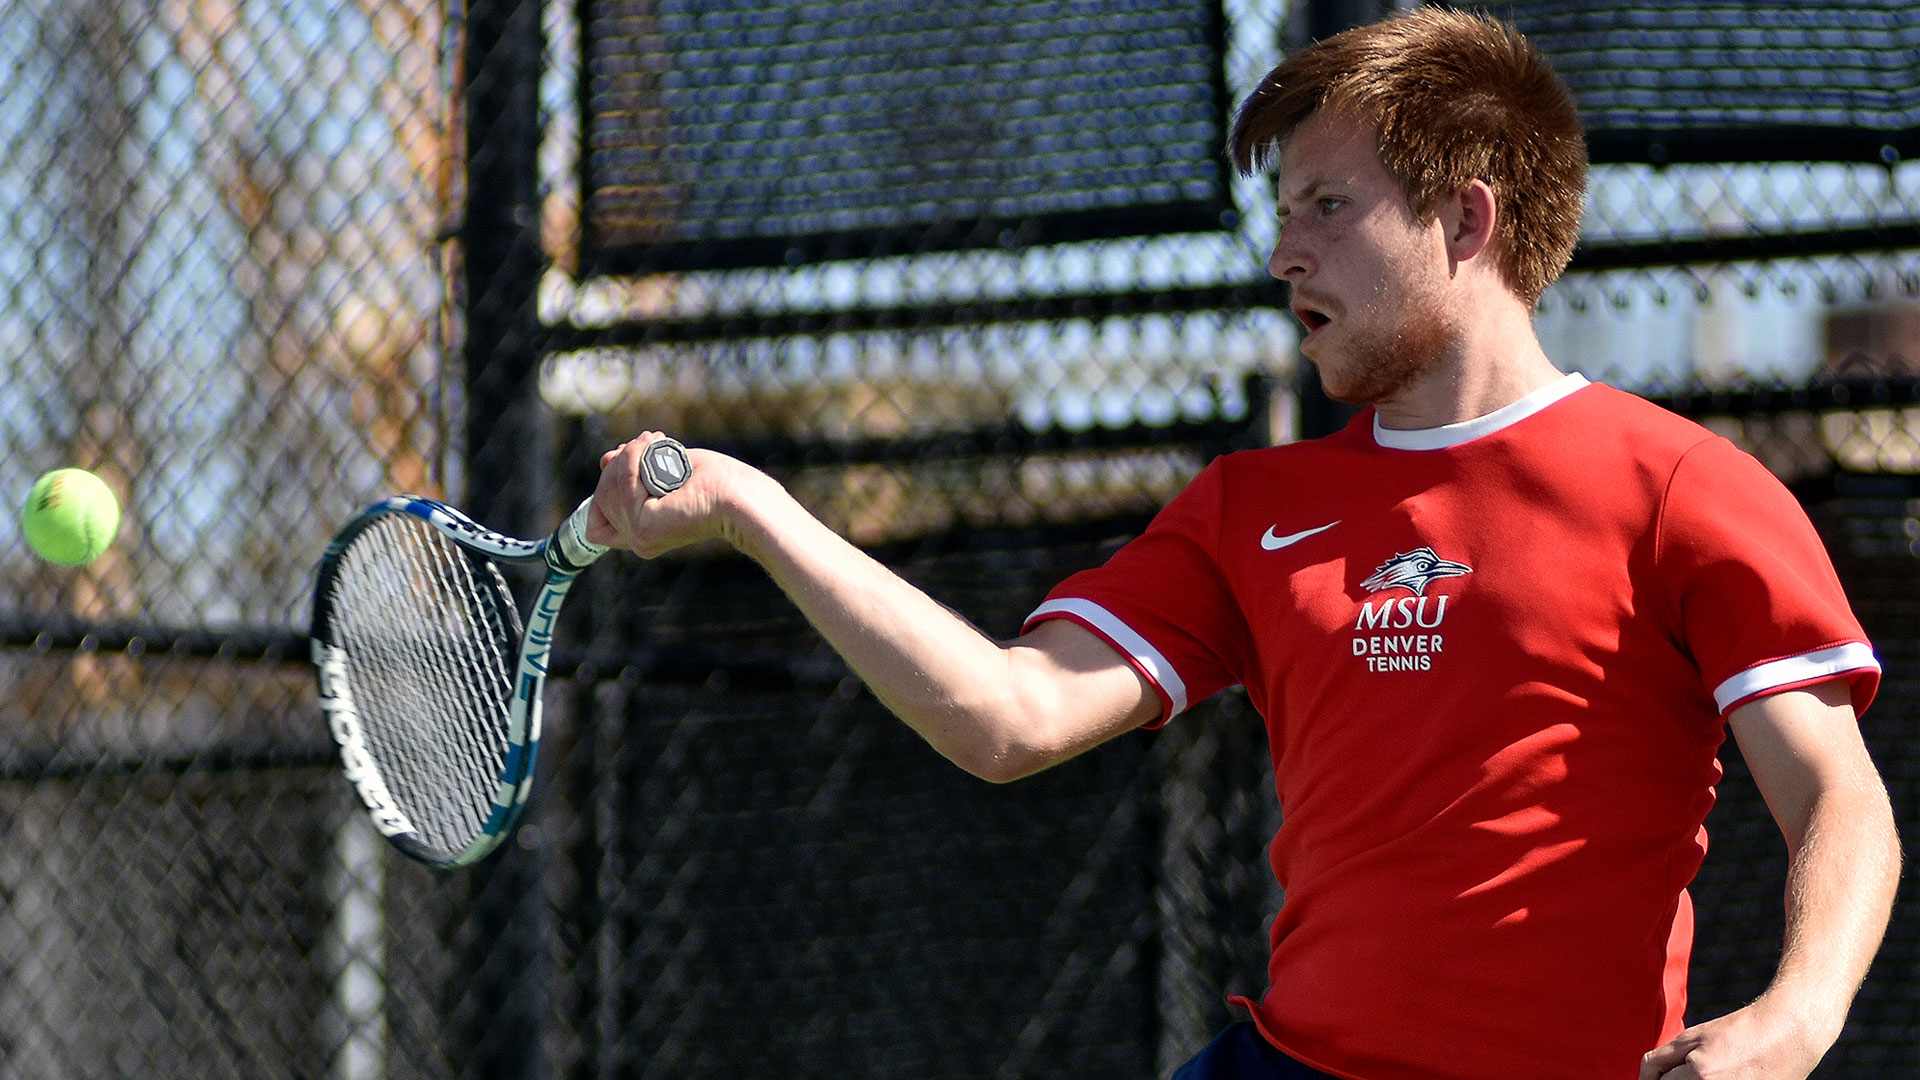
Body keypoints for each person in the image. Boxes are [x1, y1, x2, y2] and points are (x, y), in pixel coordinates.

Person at [583, 9, 1901, 1079]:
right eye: (1280, 215)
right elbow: (1007, 716)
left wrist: (1796, 1017)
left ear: (1467, 222)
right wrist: (756, 510)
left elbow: (1841, 802)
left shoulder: (1684, 489)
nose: (1284, 255)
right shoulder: (1245, 510)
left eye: (1327, 205)